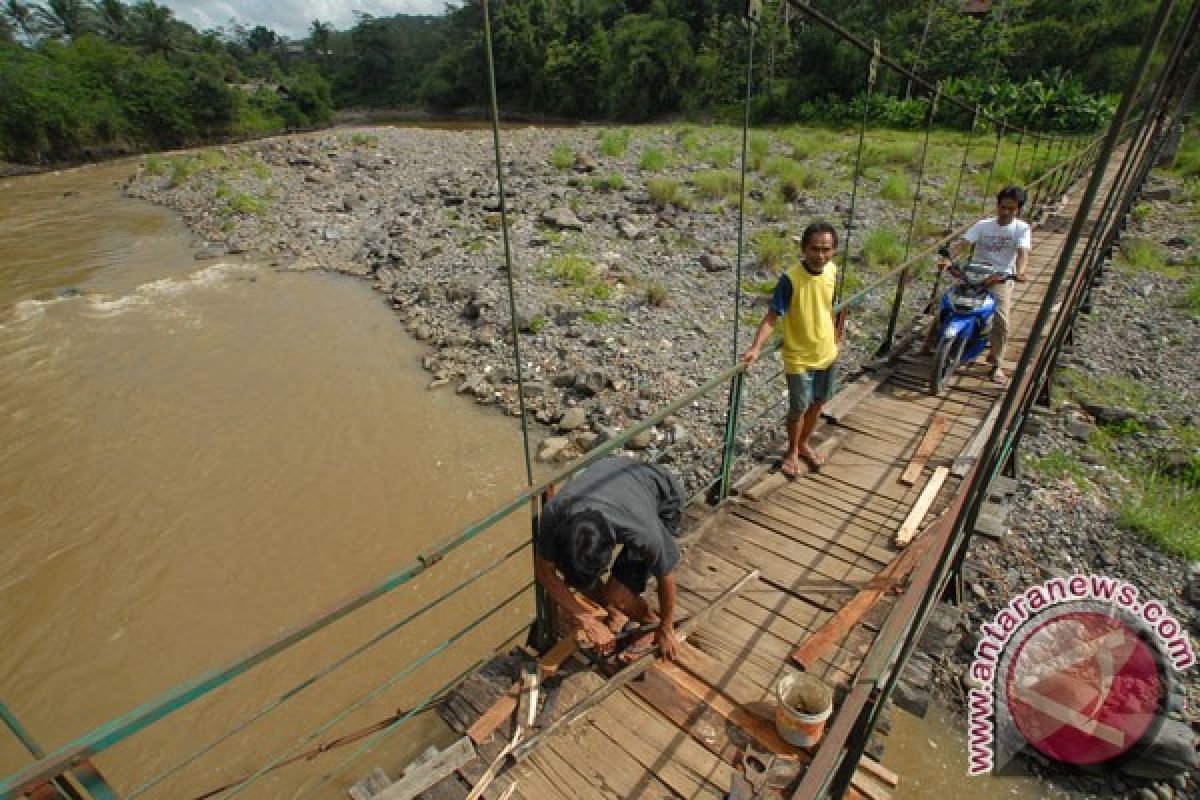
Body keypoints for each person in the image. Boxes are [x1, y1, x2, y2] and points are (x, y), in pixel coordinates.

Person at [534, 455, 685, 662]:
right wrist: (587, 620)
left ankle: (650, 623)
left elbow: (666, 574)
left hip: (661, 497)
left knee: (618, 594)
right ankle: (613, 613)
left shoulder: (644, 531)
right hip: (616, 480)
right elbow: (545, 572)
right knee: (580, 577)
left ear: (612, 544)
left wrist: (666, 628)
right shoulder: (555, 514)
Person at [741, 221, 840, 479]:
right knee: (798, 408)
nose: (820, 255)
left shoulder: (832, 271)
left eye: (826, 249)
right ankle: (792, 451)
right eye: (815, 249)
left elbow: (831, 307)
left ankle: (804, 444)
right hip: (798, 358)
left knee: (818, 403)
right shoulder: (790, 279)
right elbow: (772, 317)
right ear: (804, 249)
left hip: (826, 353)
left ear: (834, 251)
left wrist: (836, 339)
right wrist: (755, 347)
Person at [929, 185, 1031, 382]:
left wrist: (1020, 272)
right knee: (945, 303)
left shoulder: (1022, 229)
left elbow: (1022, 253)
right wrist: (948, 258)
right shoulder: (983, 225)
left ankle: (996, 363)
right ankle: (931, 343)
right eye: (1003, 207)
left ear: (1018, 209)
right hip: (973, 273)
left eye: (1011, 209)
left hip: (999, 277)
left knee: (1001, 319)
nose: (1005, 212)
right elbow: (963, 244)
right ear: (997, 205)